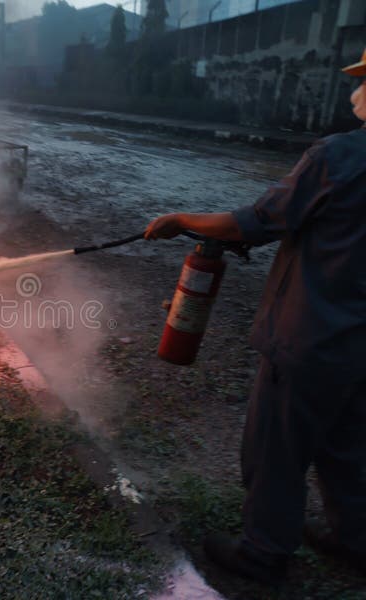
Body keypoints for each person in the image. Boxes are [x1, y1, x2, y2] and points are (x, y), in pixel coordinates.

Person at [144, 49, 366, 585]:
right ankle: (357, 540)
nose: (356, 91)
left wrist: (180, 219)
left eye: (365, 81)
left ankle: (264, 553)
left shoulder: (338, 156)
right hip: (360, 346)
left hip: (312, 336)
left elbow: (259, 221)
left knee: (276, 447)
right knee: (348, 445)